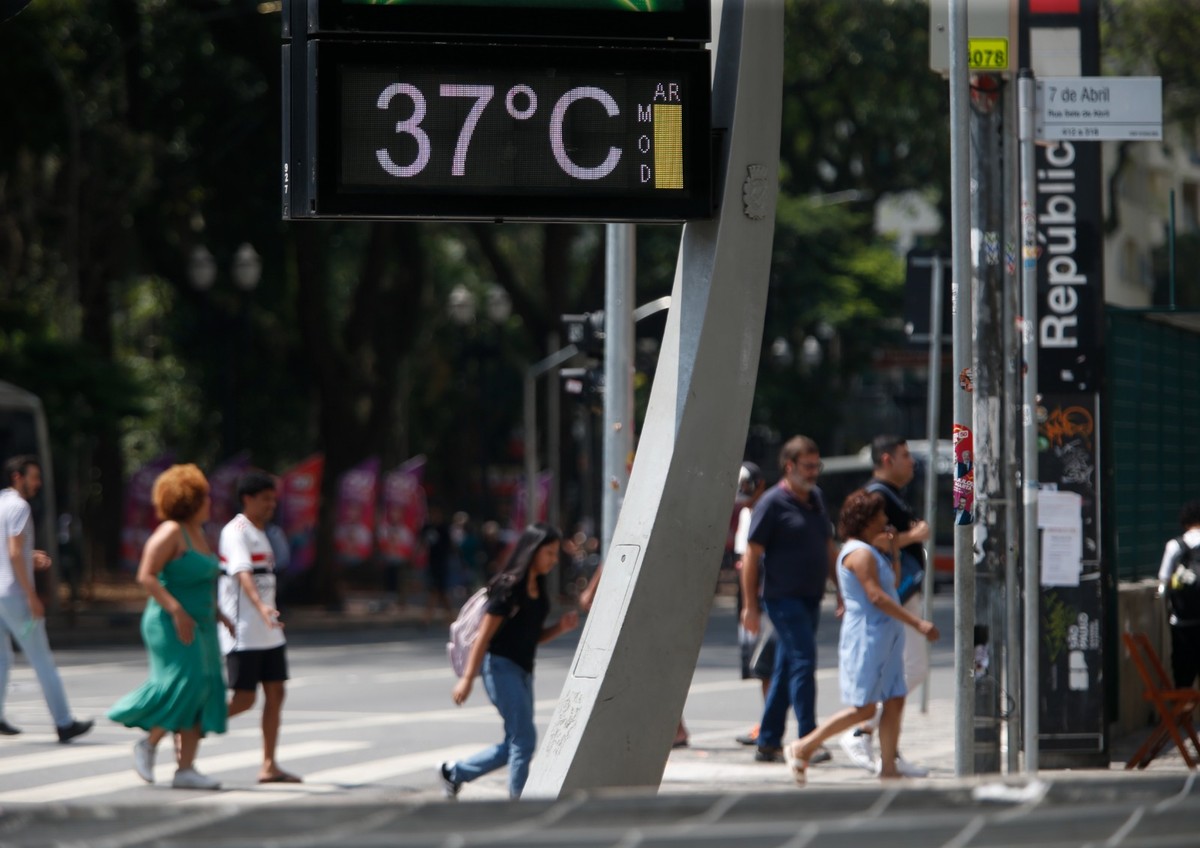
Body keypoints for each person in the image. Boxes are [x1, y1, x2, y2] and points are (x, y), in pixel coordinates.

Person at [785, 488, 939, 784]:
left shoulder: (872, 551)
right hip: (869, 639)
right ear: (867, 519)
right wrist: (917, 623)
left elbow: (892, 583)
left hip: (887, 637)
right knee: (865, 707)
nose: (885, 519)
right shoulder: (859, 554)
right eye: (880, 514)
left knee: (895, 699)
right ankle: (804, 746)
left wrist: (893, 551)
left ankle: (889, 769)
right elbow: (877, 597)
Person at [108, 463, 229, 789]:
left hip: (201, 623)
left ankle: (185, 769)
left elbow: (202, 581)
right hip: (169, 621)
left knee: (202, 687)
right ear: (189, 500)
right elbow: (146, 575)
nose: (210, 502)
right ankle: (148, 744)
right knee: (184, 684)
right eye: (204, 497)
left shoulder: (198, 533)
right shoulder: (171, 531)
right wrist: (176, 611)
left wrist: (221, 615)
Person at [439, 523, 579, 799]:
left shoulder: (538, 587)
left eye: (554, 554)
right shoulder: (508, 588)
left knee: (515, 742)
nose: (553, 560)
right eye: (549, 553)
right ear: (532, 551)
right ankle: (518, 806)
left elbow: (531, 637)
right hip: (500, 668)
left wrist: (560, 628)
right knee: (524, 741)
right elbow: (483, 637)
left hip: (524, 672)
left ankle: (455, 773)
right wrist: (467, 679)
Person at [740, 436, 840, 764]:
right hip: (782, 600)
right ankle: (808, 740)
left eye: (816, 466)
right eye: (807, 467)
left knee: (785, 669)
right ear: (790, 466)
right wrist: (749, 607)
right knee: (804, 662)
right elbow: (752, 557)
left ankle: (768, 741)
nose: (813, 472)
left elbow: (827, 548)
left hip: (810, 597)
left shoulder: (816, 499)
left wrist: (841, 589)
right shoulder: (771, 503)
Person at [839, 435, 933, 776]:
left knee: (903, 674)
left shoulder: (890, 493)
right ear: (886, 459)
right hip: (896, 594)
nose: (912, 462)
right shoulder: (879, 495)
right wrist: (915, 536)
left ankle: (888, 753)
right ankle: (861, 731)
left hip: (902, 590)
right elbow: (871, 541)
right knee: (909, 671)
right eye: (905, 455)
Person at [0, 455, 93, 742]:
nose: (38, 484)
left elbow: (9, 552)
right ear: (18, 477)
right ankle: (64, 723)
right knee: (42, 659)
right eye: (34, 477)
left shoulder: (1, 503)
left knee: (2, 658)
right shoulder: (18, 506)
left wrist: (28, 557)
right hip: (15, 595)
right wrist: (32, 596)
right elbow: (13, 552)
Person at [219, 469, 300, 784]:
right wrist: (261, 606)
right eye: (266, 499)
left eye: (273, 499)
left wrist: (269, 611)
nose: (271, 505)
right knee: (244, 699)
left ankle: (269, 764)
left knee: (276, 692)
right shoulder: (235, 530)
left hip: (268, 628)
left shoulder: (262, 531)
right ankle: (192, 727)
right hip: (245, 629)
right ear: (247, 499)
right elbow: (242, 573)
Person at [730, 461, 772, 747]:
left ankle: (771, 725)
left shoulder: (767, 509)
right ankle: (768, 722)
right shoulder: (746, 512)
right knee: (759, 665)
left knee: (769, 663)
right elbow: (743, 559)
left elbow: (756, 559)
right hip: (749, 596)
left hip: (765, 595)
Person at [1157, 499, 1200, 687]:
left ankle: (1182, 715)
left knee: (1183, 673)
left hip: (1182, 622)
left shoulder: (1175, 545)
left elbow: (1164, 580)